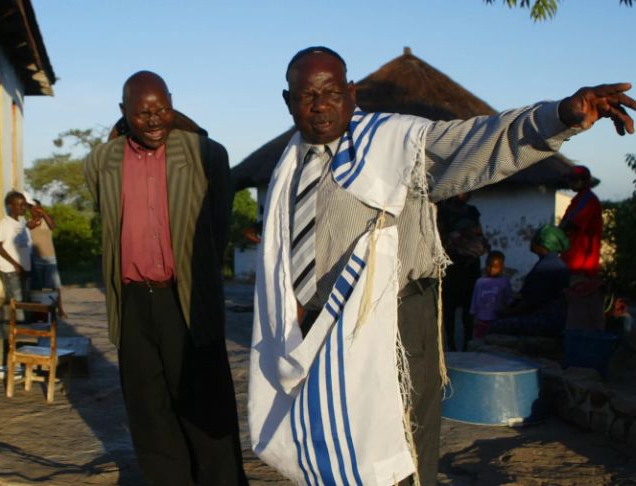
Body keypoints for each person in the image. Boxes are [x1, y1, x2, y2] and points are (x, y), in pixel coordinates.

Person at [248, 46, 635, 486]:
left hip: (394, 322)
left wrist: (560, 116)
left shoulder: (395, 145)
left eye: (332, 93)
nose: (320, 106)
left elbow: (481, 139)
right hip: (319, 331)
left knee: (400, 445)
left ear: (351, 93)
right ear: (288, 101)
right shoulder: (290, 163)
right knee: (334, 444)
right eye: (306, 96)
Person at [83, 71, 246, 485]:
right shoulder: (103, 161)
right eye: (143, 112)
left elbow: (218, 224)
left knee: (205, 403)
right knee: (148, 406)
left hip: (186, 297)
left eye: (162, 109)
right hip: (134, 301)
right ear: (123, 114)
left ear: (173, 104)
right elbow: (107, 216)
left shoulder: (205, 154)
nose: (154, 120)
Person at [487, 225, 571, 336]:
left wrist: (508, 313)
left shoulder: (545, 267)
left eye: (535, 239)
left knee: (494, 326)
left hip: (546, 321)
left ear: (544, 245)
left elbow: (529, 302)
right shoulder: (555, 263)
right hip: (554, 319)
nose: (531, 242)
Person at [438, 194, 489, 351]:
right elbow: (439, 236)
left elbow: (479, 233)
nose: (465, 194)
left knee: (469, 308)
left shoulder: (472, 211)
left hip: (470, 266)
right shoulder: (443, 211)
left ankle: (467, 343)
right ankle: (451, 344)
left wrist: (480, 244)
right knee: (449, 307)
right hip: (451, 266)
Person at [27, 198, 68, 318]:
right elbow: (29, 226)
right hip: (35, 259)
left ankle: (60, 309)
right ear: (30, 210)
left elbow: (53, 226)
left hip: (50, 258)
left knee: (55, 286)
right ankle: (40, 312)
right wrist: (34, 221)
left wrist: (44, 213)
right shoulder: (28, 222)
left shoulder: (46, 220)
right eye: (33, 208)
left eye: (37, 207)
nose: (35, 210)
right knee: (38, 288)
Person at [559, 165, 603, 277]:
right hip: (573, 258)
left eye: (574, 180)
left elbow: (571, 224)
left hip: (581, 261)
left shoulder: (587, 200)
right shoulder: (579, 199)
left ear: (584, 181)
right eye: (570, 179)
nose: (570, 182)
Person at [0, 191, 32, 320]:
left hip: (24, 268)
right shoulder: (4, 223)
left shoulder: (22, 222)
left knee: (25, 300)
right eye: (20, 205)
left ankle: (22, 330)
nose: (23, 208)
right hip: (10, 269)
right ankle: (16, 331)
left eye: (24, 205)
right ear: (11, 206)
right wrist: (15, 264)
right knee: (16, 300)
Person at [469, 251, 512, 339]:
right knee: (479, 341)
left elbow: (508, 298)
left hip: (497, 319)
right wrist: (473, 313)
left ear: (501, 267)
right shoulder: (480, 282)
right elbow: (475, 298)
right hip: (481, 320)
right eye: (489, 266)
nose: (492, 269)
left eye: (495, 267)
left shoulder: (505, 281)